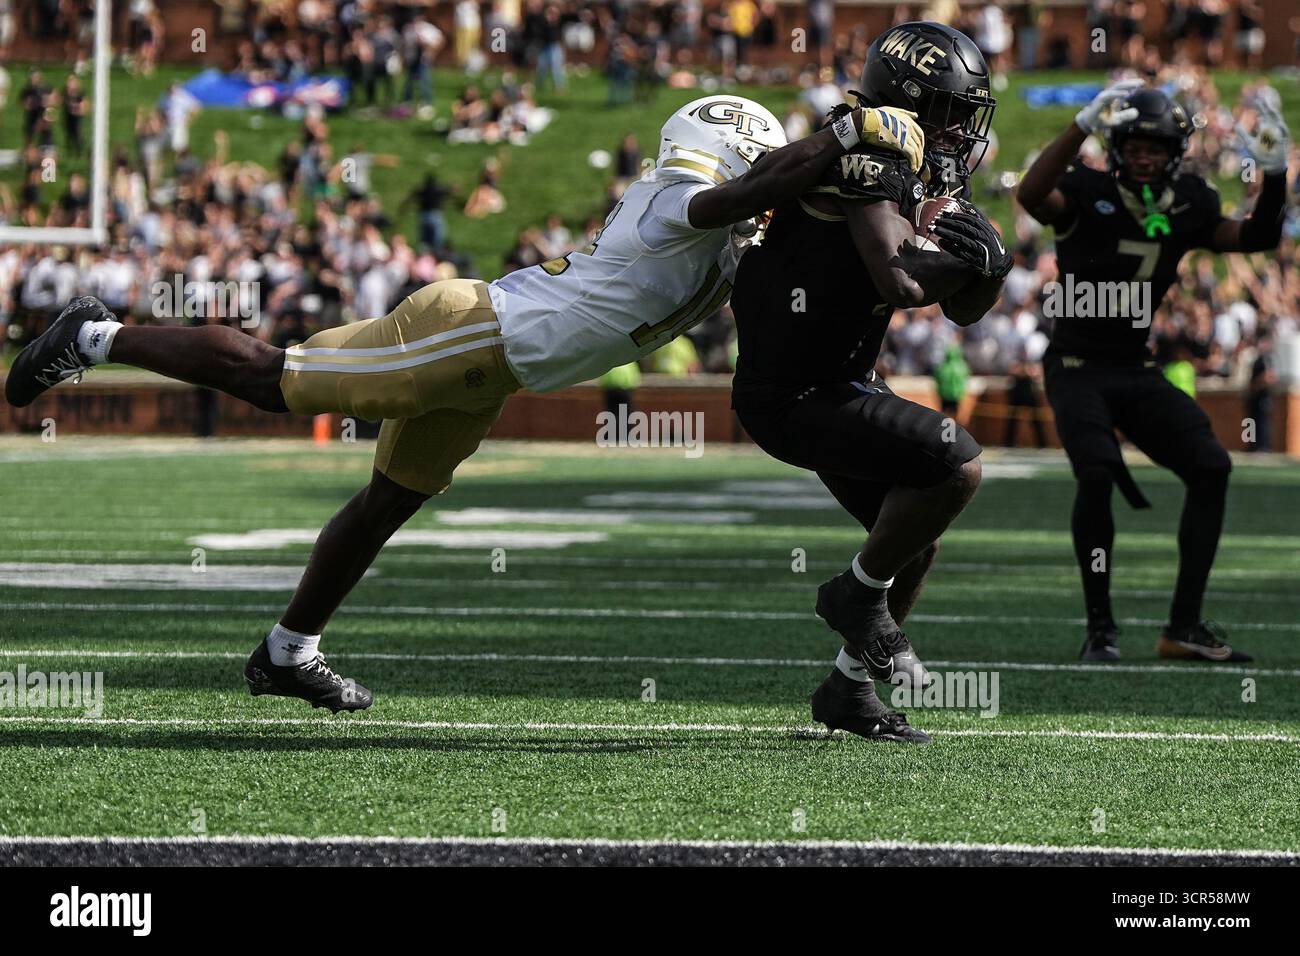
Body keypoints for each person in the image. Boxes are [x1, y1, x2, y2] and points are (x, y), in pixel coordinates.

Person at [5, 95, 924, 714]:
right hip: (476, 333)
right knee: (275, 380)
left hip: (497, 366)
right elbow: (752, 191)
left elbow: (785, 219)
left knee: (386, 504)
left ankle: (286, 653)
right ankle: (95, 336)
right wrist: (839, 141)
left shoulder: (726, 223)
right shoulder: (679, 196)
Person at [731, 22, 1009, 744]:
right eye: (949, 110)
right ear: (908, 100)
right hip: (793, 393)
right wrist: (975, 264)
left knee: (914, 537)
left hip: (839, 382)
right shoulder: (873, 150)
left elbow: (962, 308)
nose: (959, 128)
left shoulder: (917, 161)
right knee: (958, 464)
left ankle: (848, 692)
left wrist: (990, 268)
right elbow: (901, 275)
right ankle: (853, 594)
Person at [1017, 81, 1291, 662]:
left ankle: (1183, 627)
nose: (1145, 155)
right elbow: (1032, 194)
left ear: (1176, 151)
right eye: (1134, 145)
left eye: (1156, 146)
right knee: (1095, 473)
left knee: (1212, 466)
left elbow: (1259, 235)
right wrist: (1079, 125)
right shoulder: (1088, 188)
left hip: (1136, 367)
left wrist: (1274, 175)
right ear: (1116, 147)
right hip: (1075, 364)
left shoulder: (1190, 202)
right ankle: (1101, 629)